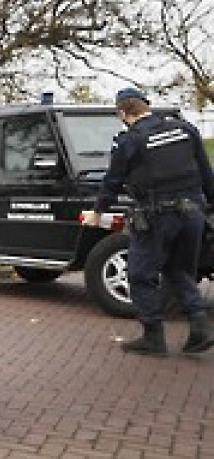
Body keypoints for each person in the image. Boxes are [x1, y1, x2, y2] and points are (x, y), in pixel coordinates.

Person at [82, 87, 214, 355]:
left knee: (141, 274)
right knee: (178, 270)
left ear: (122, 113)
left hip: (157, 216)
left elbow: (113, 181)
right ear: (147, 105)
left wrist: (98, 211)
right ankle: (199, 327)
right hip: (194, 215)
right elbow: (205, 172)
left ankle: (153, 337)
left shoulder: (129, 140)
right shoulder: (184, 129)